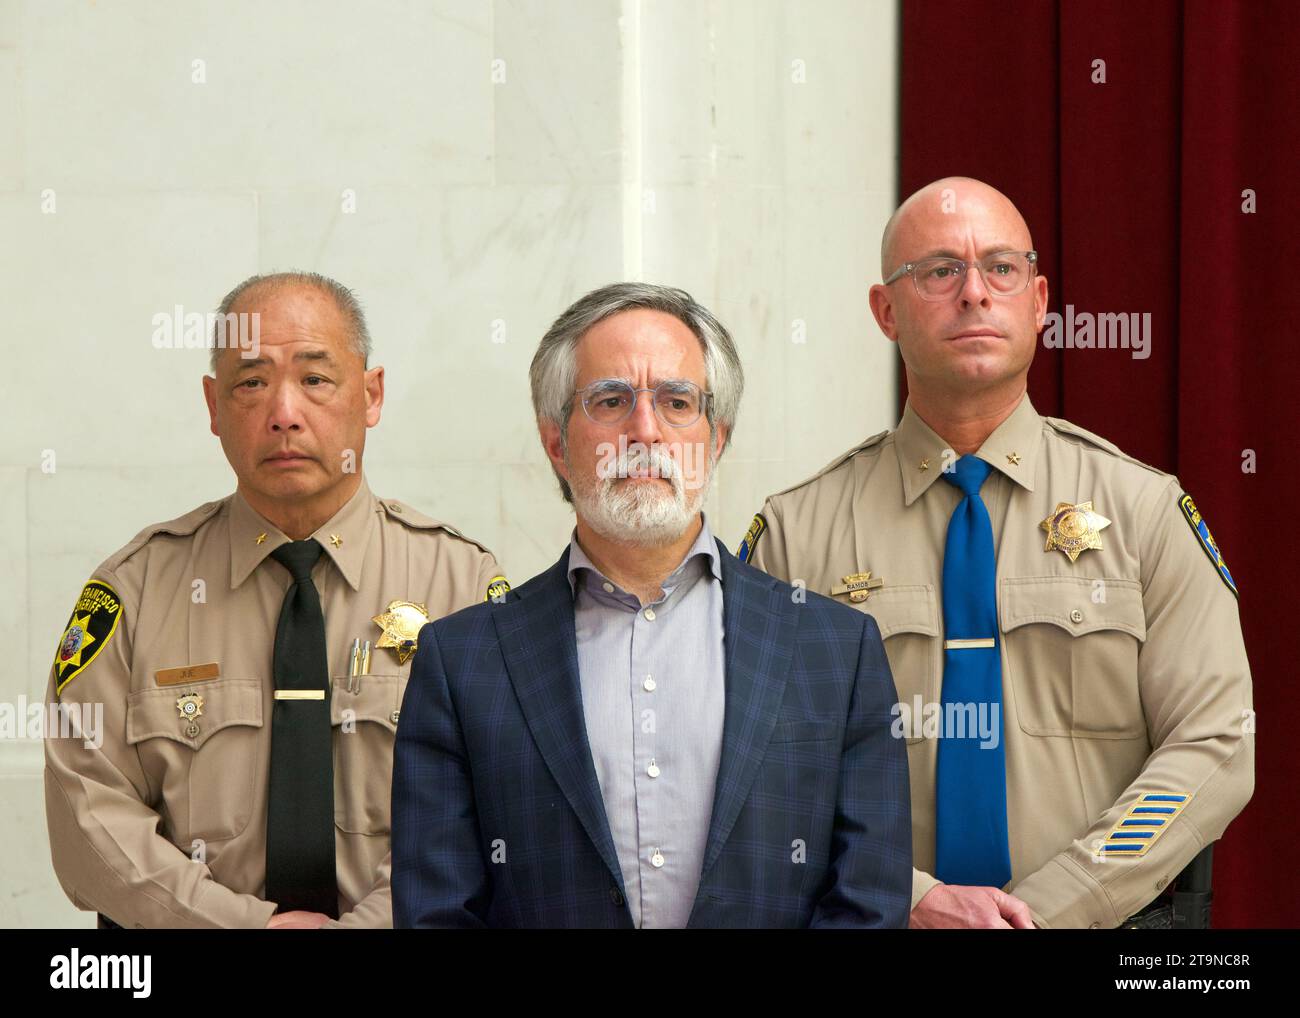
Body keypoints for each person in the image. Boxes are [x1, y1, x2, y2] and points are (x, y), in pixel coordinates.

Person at [742, 178, 1254, 929]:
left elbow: (1214, 742)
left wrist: (1051, 910)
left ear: (1040, 300)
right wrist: (909, 899)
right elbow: (762, 766)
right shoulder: (796, 535)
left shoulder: (1145, 511)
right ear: (886, 311)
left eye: (1001, 269)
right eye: (939, 271)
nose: (975, 293)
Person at [391, 282, 911, 928]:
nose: (644, 431)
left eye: (676, 402)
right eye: (610, 401)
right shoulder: (461, 663)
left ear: (715, 438)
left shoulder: (837, 650)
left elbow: (868, 903)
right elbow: (438, 913)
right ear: (556, 441)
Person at [44, 271, 505, 928]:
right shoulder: (133, 594)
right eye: (251, 383)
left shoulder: (460, 587)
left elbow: (496, 809)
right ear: (212, 405)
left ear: (371, 394)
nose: (284, 412)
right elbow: (88, 821)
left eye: (316, 379)